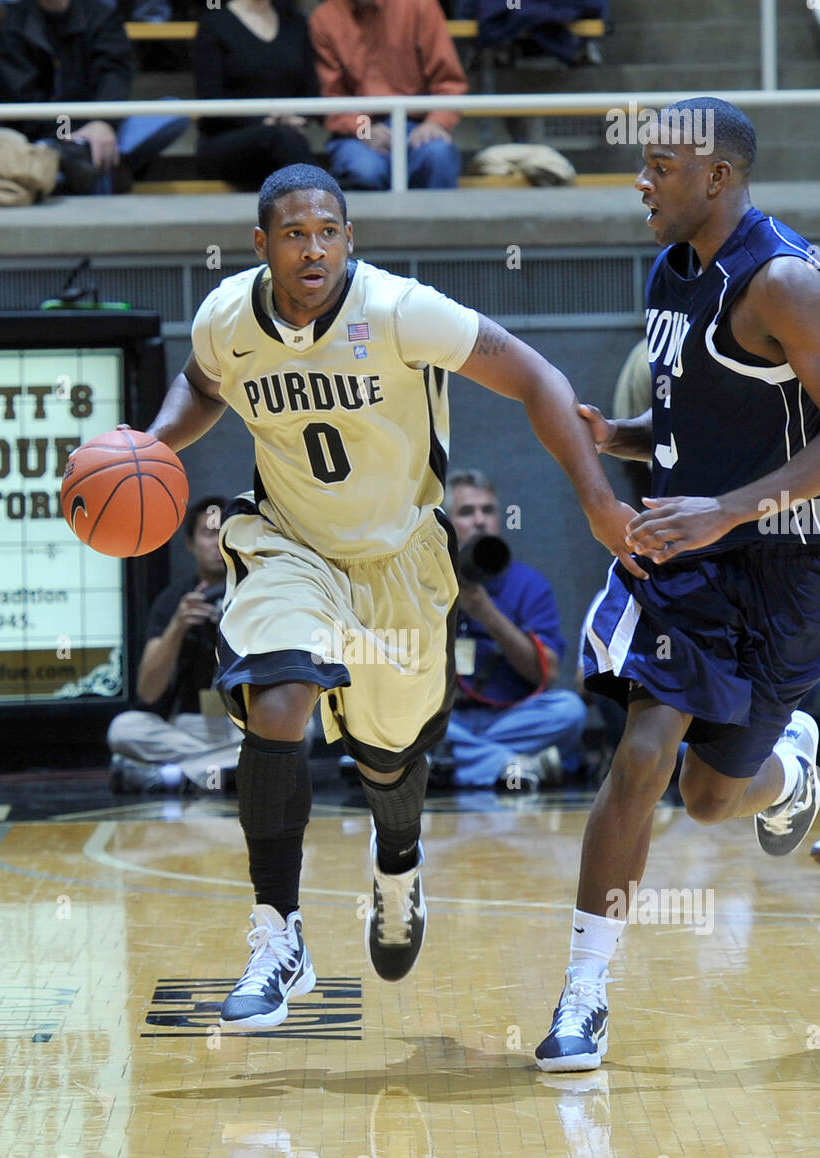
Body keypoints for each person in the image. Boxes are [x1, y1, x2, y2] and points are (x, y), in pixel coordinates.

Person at [144, 160, 639, 1031]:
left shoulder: (400, 310)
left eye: (328, 232)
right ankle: (278, 933)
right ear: (262, 245)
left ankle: (398, 865)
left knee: (390, 759)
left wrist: (600, 501)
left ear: (348, 240)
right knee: (280, 697)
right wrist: (146, 445)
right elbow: (200, 381)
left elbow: (533, 378)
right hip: (291, 542)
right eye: (294, 234)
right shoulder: (227, 317)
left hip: (401, 560)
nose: (314, 249)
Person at [535, 97, 820, 1073]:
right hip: (684, 564)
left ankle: (791, 771)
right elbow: (688, 422)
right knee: (641, 752)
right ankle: (583, 993)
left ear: (719, 178)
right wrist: (614, 437)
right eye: (644, 163)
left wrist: (728, 511)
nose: (641, 181)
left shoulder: (783, 281)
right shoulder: (668, 268)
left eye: (661, 166)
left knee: (708, 798)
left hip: (784, 568)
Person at [440, 468, 586, 790]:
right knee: (402, 725)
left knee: (570, 710)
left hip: (514, 716)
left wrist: (485, 612)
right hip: (450, 718)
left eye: (488, 510)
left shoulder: (529, 584)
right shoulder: (425, 583)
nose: (480, 520)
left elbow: (546, 675)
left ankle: (454, 761)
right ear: (447, 524)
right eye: (466, 512)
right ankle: (511, 764)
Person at [107, 495, 244, 795]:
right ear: (191, 544)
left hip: (243, 724)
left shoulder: (258, 592)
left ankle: (173, 776)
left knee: (302, 730)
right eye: (209, 534)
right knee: (124, 728)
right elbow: (147, 690)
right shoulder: (174, 600)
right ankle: (230, 770)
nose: (217, 543)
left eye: (225, 533)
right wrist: (178, 625)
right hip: (187, 727)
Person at [0, 0, 187, 194]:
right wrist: (70, 134)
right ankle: (88, 163)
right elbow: (23, 103)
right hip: (42, 135)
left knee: (174, 111)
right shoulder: (13, 24)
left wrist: (102, 122)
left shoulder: (101, 16)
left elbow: (115, 77)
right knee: (35, 147)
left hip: (99, 127)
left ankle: (73, 164)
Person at [308, 0, 467, 191]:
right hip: (357, 132)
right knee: (364, 170)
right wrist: (364, 129)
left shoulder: (420, 5)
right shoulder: (324, 17)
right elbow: (330, 98)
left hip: (418, 124)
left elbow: (449, 83)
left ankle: (441, 222)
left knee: (438, 156)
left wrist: (435, 123)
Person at [193, 0, 320, 186]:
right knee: (278, 138)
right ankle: (322, 196)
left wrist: (297, 117)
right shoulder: (214, 23)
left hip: (287, 137)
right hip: (226, 140)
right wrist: (266, 120)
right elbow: (210, 99)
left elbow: (311, 91)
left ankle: (320, 198)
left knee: (286, 140)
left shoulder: (295, 22)